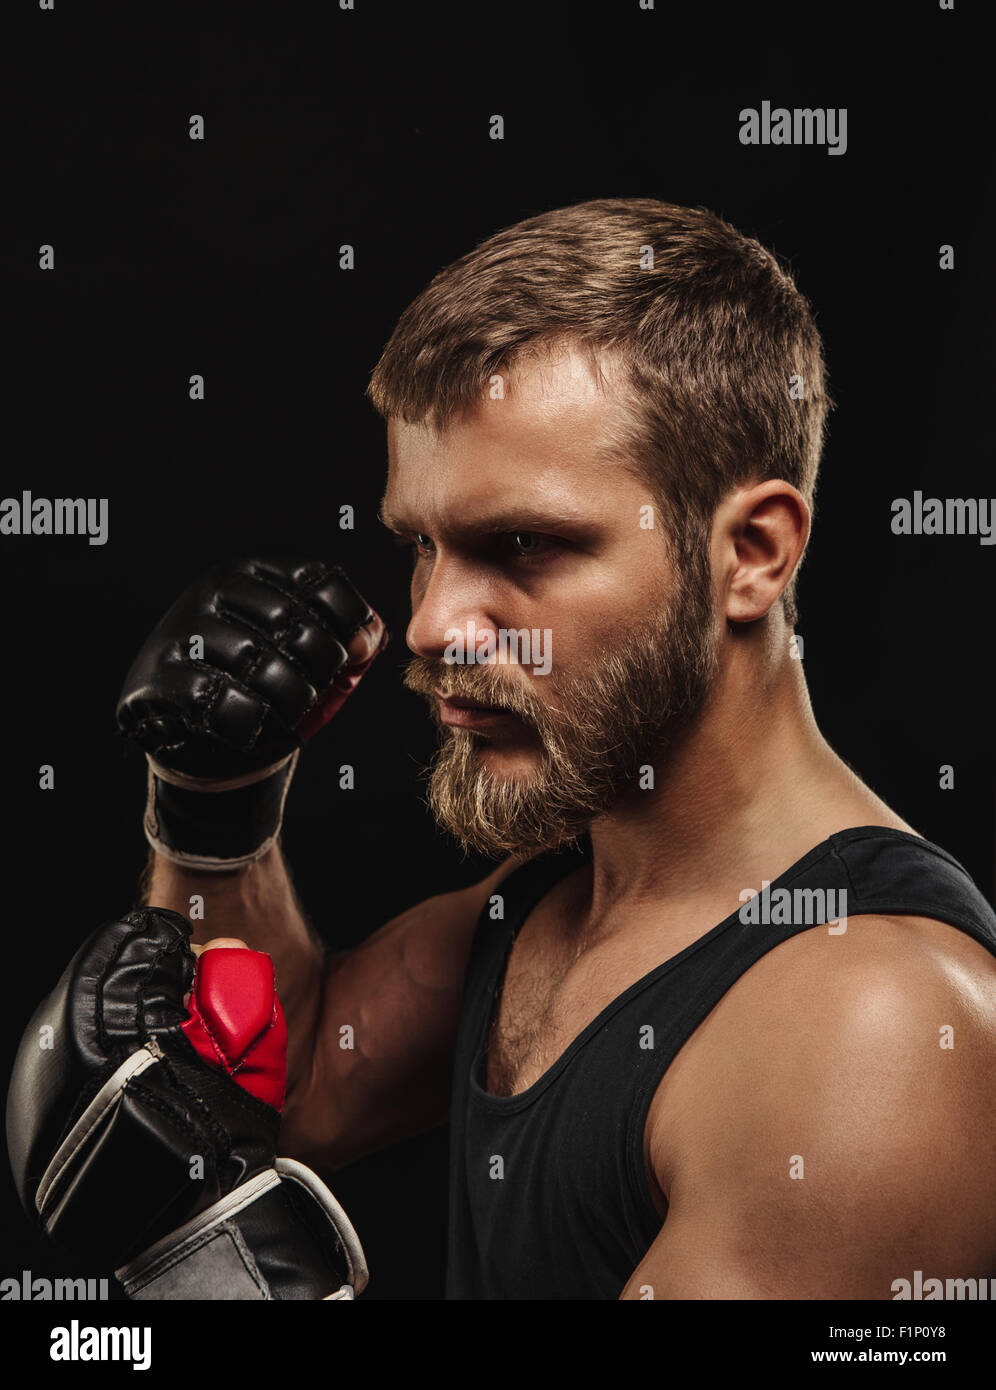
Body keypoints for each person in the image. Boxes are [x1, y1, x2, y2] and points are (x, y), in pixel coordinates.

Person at [15, 199, 996, 1299]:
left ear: (752, 555)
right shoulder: (558, 895)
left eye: (521, 545)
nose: (433, 623)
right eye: (423, 545)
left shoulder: (874, 1024)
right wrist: (213, 811)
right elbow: (287, 1089)